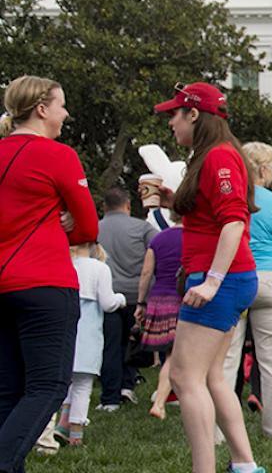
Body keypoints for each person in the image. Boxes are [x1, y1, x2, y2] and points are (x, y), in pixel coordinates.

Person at [152, 81, 265, 473]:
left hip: (222, 279)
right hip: (225, 276)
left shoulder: (218, 156)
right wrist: (173, 201)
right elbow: (214, 217)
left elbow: (234, 221)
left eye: (174, 115)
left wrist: (212, 280)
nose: (171, 123)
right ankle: (245, 465)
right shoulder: (215, 155)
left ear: (194, 114)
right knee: (214, 376)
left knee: (184, 376)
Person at [0, 75, 100, 473]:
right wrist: (65, 226)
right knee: (48, 386)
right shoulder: (58, 155)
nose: (66, 113)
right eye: (61, 105)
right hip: (44, 282)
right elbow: (89, 228)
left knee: (8, 391)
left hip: (4, 285)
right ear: (42, 109)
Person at [219, 142, 272, 441]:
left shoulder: (230, 197)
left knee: (227, 360)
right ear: (266, 168)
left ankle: (218, 431)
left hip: (237, 277)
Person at [53, 243, 125, 447]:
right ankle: (76, 434)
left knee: (68, 382)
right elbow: (108, 303)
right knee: (83, 385)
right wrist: (121, 299)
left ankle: (62, 425)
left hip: (66, 331)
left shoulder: (66, 264)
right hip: (89, 334)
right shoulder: (99, 268)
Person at [95, 186, 156, 410]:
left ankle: (109, 398)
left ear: (104, 207)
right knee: (133, 342)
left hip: (107, 295)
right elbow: (158, 251)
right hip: (136, 294)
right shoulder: (142, 228)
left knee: (110, 346)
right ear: (128, 205)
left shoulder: (95, 228)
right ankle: (127, 386)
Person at [136, 219, 183, 419]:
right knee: (176, 354)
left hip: (159, 297)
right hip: (183, 297)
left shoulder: (158, 239)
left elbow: (147, 272)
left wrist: (141, 303)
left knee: (171, 352)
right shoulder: (196, 236)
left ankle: (170, 394)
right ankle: (161, 401)